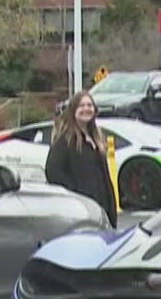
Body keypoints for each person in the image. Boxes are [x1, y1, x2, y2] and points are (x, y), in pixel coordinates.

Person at [46, 91, 120, 226]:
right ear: (73, 110)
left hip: (102, 210)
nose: (86, 109)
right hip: (81, 211)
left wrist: (112, 211)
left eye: (89, 105)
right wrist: (77, 195)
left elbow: (105, 179)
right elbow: (53, 172)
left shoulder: (96, 140)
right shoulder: (65, 140)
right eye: (81, 106)